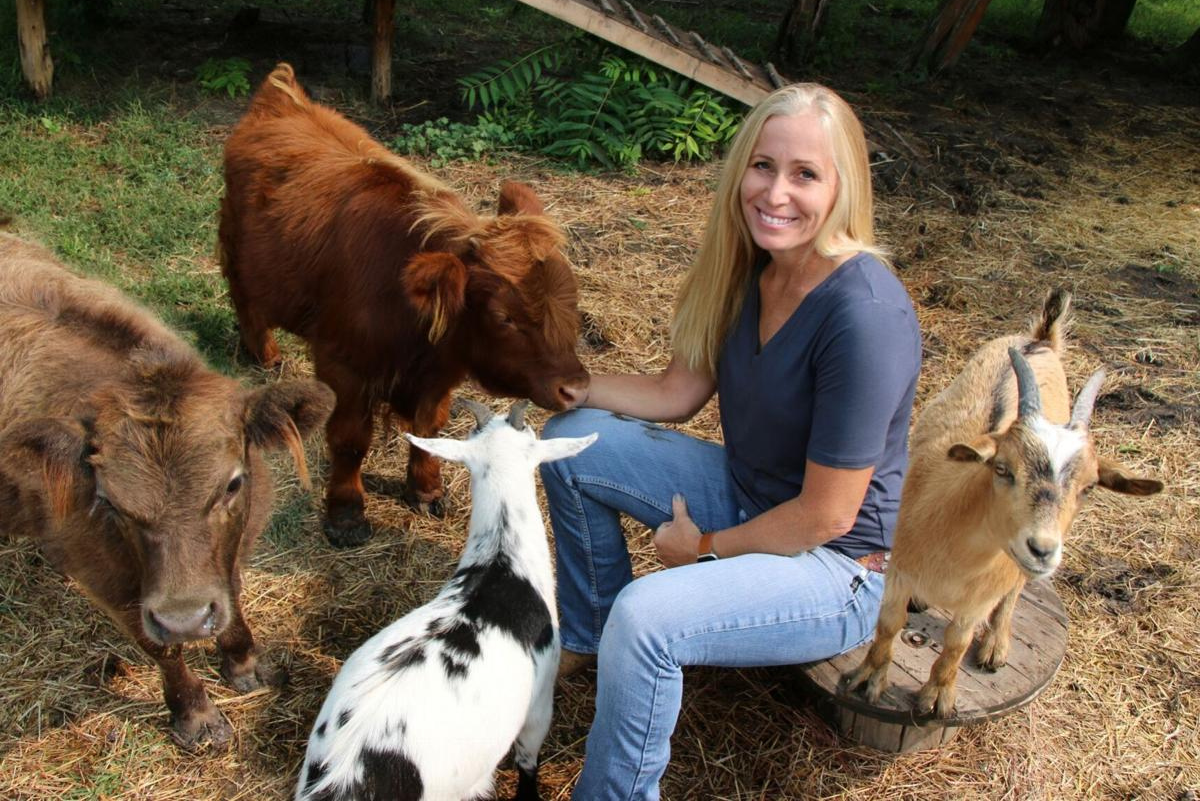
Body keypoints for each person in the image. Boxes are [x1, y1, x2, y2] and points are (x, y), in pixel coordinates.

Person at [540, 82, 921, 800]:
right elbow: (676, 393)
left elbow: (827, 516)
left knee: (649, 618)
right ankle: (590, 636)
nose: (777, 192)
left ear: (843, 188)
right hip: (750, 494)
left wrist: (705, 549)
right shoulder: (754, 266)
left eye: (805, 174)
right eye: (763, 166)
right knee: (571, 440)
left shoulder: (865, 316)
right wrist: (577, 386)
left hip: (835, 568)